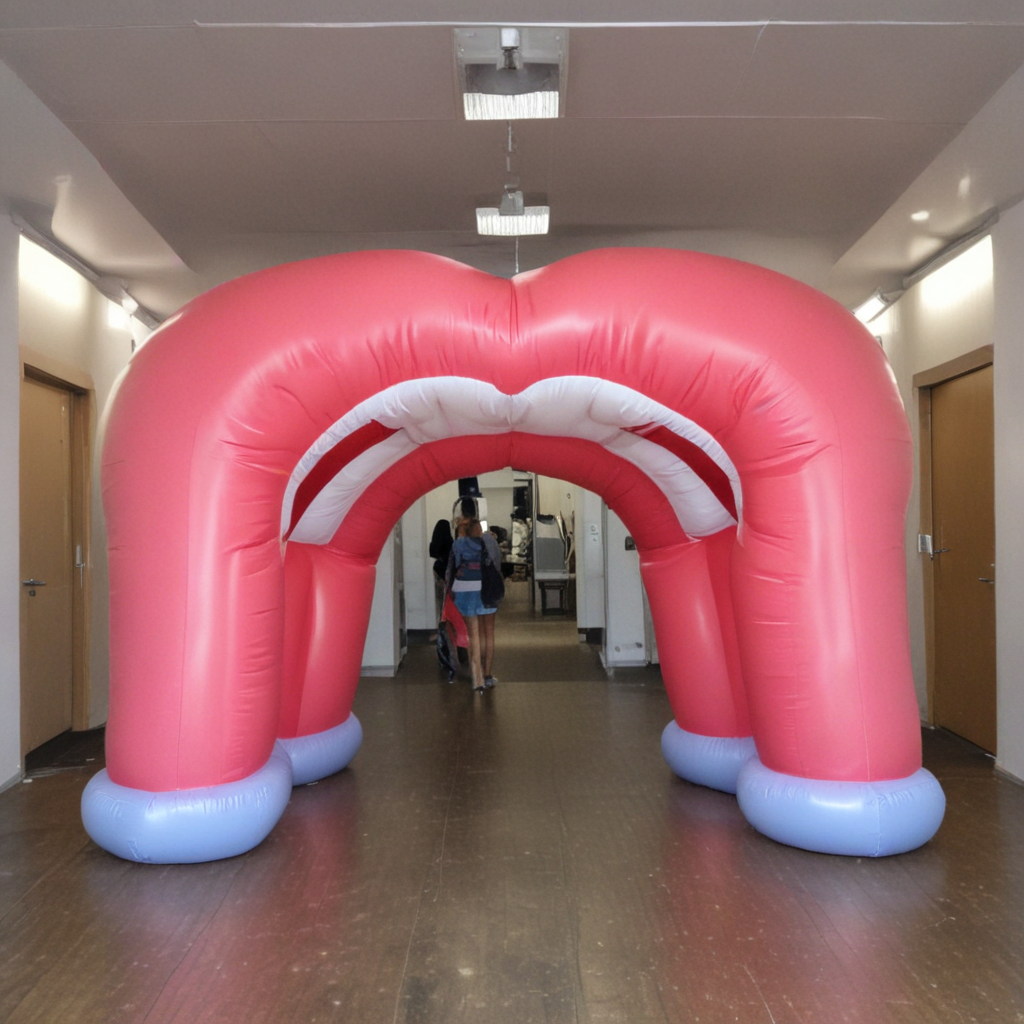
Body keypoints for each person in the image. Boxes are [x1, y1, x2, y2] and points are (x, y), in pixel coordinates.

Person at [448, 518, 498, 693]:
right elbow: (497, 561)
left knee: (473, 634)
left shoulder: (459, 543)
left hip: (465, 590)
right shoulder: (490, 540)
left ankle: (476, 679)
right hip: (486, 588)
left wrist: (460, 532)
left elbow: (455, 562)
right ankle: (487, 674)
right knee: (488, 634)